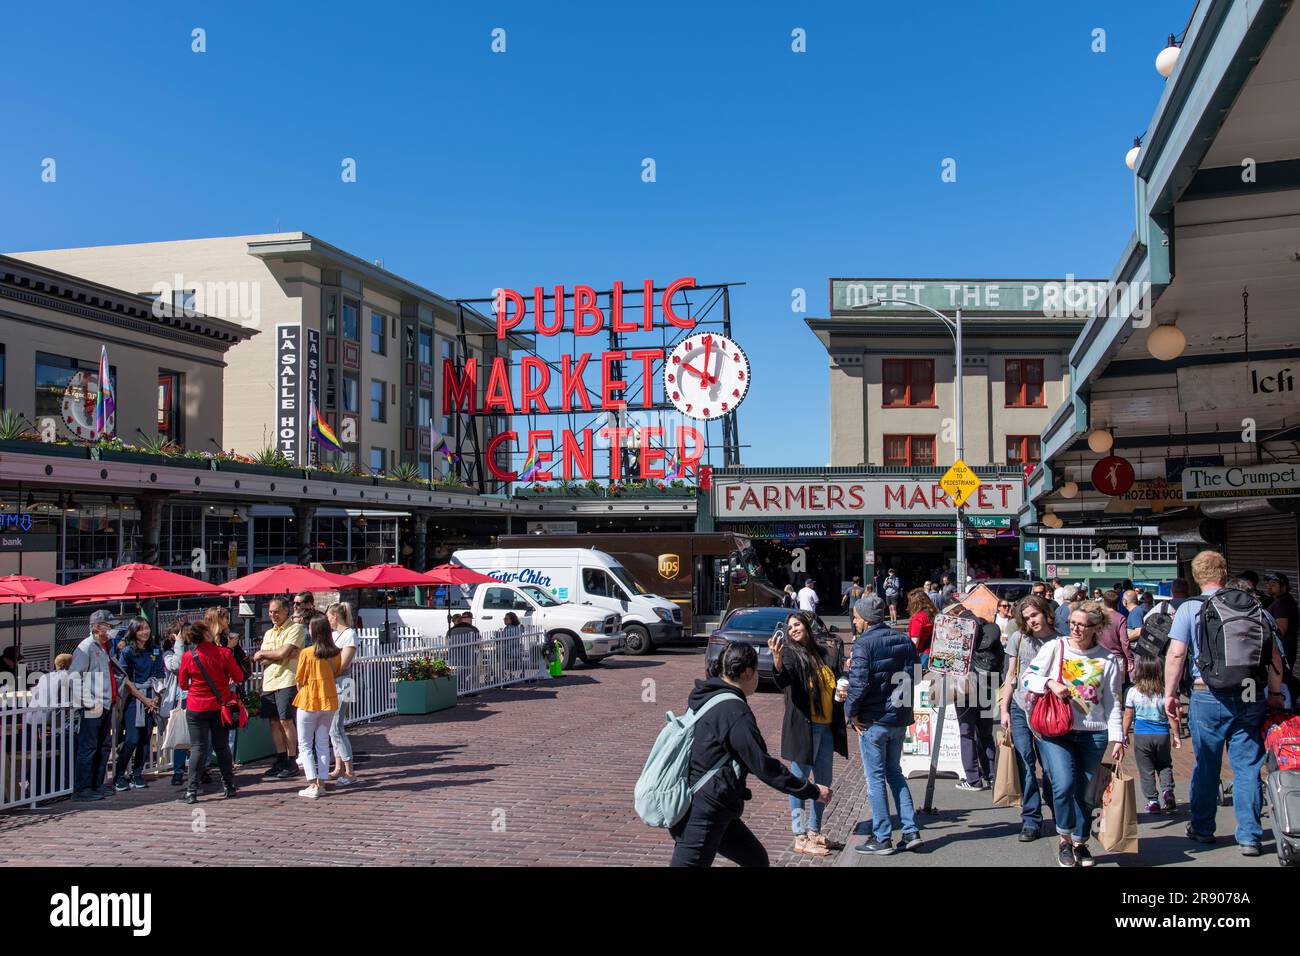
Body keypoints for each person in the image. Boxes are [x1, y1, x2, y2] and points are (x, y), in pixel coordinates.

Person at [1164, 553, 1286, 855]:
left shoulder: (1190, 608)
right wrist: (1275, 694)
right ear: (1224, 572)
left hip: (1208, 693)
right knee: (1247, 767)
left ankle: (1203, 828)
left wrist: (1169, 694)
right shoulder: (1255, 606)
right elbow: (1274, 657)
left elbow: (1177, 654)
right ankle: (1250, 836)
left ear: (1196, 576)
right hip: (1250, 692)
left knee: (1207, 763)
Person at [668, 641, 828, 867]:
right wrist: (811, 790)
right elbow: (763, 765)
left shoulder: (707, 696)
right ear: (748, 672)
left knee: (756, 860)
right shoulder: (734, 711)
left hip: (716, 805)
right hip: (703, 811)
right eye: (756, 673)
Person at [1021, 600, 1124, 867]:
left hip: (1094, 732)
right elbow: (1027, 678)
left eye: (1083, 625)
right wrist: (1050, 683)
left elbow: (1112, 702)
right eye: (1073, 624)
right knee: (1063, 784)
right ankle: (1064, 839)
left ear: (1096, 628)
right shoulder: (1056, 647)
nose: (1076, 629)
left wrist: (1118, 738)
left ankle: (1081, 842)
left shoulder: (1108, 659)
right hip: (1058, 729)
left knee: (1087, 792)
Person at [845, 594, 920, 855]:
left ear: (865, 619)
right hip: (898, 718)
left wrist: (851, 714)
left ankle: (882, 836)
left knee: (875, 778)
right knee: (895, 773)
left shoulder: (864, 644)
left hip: (873, 720)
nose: (854, 620)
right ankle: (910, 830)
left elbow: (858, 685)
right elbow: (916, 677)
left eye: (856, 617)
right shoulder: (902, 639)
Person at [767, 612, 848, 856]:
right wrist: (777, 660)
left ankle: (815, 830)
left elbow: (836, 678)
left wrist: (843, 684)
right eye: (789, 627)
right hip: (805, 727)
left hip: (826, 726)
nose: (793, 629)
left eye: (797, 624)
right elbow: (783, 680)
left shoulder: (822, 653)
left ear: (806, 625)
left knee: (824, 782)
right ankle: (799, 834)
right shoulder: (790, 654)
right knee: (799, 782)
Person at [69, 610, 156, 801]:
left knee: (103, 746)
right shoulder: (86, 648)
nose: (111, 629)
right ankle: (82, 789)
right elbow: (74, 677)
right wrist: (89, 702)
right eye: (108, 626)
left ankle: (96, 784)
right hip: (93, 704)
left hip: (105, 702)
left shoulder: (104, 647)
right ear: (97, 627)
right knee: (89, 747)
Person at [1000, 595, 1057, 841]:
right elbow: (1011, 674)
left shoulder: (1060, 640)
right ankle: (1031, 819)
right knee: (1026, 764)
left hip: (1048, 711)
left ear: (1045, 612)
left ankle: (1060, 814)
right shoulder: (1018, 638)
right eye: (1026, 618)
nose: (1032, 621)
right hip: (1020, 708)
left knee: (1052, 766)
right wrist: (1004, 708)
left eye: (1034, 615)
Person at [176, 622, 243, 804]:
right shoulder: (224, 653)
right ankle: (229, 787)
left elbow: (183, 684)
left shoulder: (189, 656)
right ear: (206, 634)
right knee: (221, 747)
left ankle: (191, 791)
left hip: (196, 707)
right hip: (219, 706)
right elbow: (238, 676)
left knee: (198, 748)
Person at [253, 597, 304, 779]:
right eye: (270, 612)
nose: (273, 615)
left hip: (287, 680)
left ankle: (292, 760)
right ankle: (280, 758)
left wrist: (271, 654)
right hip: (270, 681)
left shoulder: (296, 629)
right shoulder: (268, 633)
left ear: (286, 611)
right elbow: (264, 660)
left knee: (286, 721)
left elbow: (280, 653)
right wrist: (279, 655)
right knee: (273, 722)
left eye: (276, 611)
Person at [112, 617, 165, 792]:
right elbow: (125, 679)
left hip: (152, 695)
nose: (145, 632)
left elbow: (159, 675)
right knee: (132, 738)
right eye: (141, 629)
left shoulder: (156, 650)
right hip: (134, 699)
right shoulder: (127, 652)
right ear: (134, 631)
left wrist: (156, 698)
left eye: (147, 628)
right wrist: (144, 699)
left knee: (145, 739)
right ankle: (119, 774)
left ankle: (137, 774)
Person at [294, 616, 344, 799]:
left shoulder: (306, 653)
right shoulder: (335, 652)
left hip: (309, 699)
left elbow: (299, 679)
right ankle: (322, 783)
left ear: (313, 631)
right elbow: (336, 671)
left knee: (305, 744)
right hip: (329, 699)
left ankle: (312, 783)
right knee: (323, 743)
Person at [955, 606, 1004, 792]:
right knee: (985, 732)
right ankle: (992, 775)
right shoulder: (991, 632)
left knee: (966, 733)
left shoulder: (962, 632)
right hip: (988, 684)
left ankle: (973, 779)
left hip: (966, 686)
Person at [1124, 655, 1180, 814]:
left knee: (1146, 769)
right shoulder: (1165, 691)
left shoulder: (1133, 692)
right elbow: (1172, 715)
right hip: (1162, 734)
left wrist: (1124, 734)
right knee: (1164, 764)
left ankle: (1152, 800)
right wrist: (1176, 735)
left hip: (1142, 735)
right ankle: (1168, 792)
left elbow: (1128, 715)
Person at [326, 601, 358, 785]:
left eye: (329, 617)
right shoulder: (334, 635)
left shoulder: (349, 634)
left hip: (343, 683)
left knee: (336, 728)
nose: (327, 620)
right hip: (333, 683)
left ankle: (350, 771)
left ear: (335, 616)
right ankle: (338, 767)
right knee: (333, 728)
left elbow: (343, 664)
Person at [1265, 573, 1299, 703]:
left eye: (1273, 584)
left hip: (1282, 651)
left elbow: (1281, 629)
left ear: (1284, 587)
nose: (1269, 586)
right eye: (1269, 584)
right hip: (1283, 651)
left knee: (1282, 680)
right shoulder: (1280, 601)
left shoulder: (1282, 604)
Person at [1096, 590, 1134, 678]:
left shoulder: (1097, 617)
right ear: (1118, 602)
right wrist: (1130, 659)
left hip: (1098, 657)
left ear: (1104, 601)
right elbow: (1124, 641)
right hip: (1116, 659)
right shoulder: (1121, 618)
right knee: (1116, 690)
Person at [906, 588, 936, 671]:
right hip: (933, 654)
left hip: (922, 656)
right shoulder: (932, 615)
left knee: (918, 681)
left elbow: (915, 642)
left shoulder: (918, 618)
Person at [1122, 589, 1145, 653]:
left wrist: (1123, 640)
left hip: (1135, 651)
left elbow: (1138, 631)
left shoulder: (1136, 611)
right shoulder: (1136, 610)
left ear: (1124, 601)